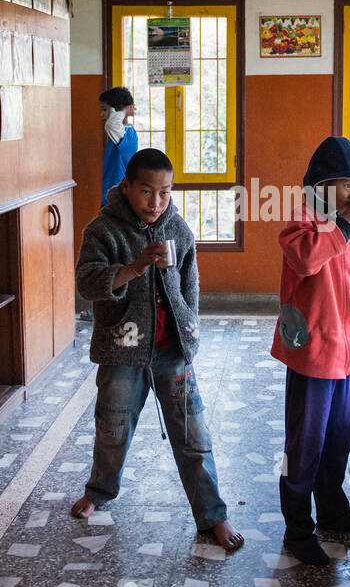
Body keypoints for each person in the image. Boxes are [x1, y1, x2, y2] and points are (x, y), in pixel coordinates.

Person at [73, 148, 243, 551]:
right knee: (112, 426)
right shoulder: (103, 231)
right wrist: (133, 268)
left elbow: (191, 287)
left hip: (171, 351)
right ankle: (99, 491)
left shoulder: (179, 230)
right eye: (146, 191)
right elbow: (86, 283)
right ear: (127, 187)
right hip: (122, 351)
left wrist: (190, 331)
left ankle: (213, 516)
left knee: (193, 434)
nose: (156, 202)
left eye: (165, 192)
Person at [271, 136, 350, 566]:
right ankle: (298, 529)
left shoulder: (343, 226)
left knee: (339, 440)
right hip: (313, 355)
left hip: (343, 353)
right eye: (344, 186)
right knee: (304, 446)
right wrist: (345, 225)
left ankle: (333, 511)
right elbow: (306, 261)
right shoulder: (303, 222)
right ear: (320, 186)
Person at [99, 86, 138, 210]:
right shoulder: (120, 134)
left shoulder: (127, 135)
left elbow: (110, 124)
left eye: (105, 109)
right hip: (111, 198)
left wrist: (124, 111)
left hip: (119, 200)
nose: (101, 114)